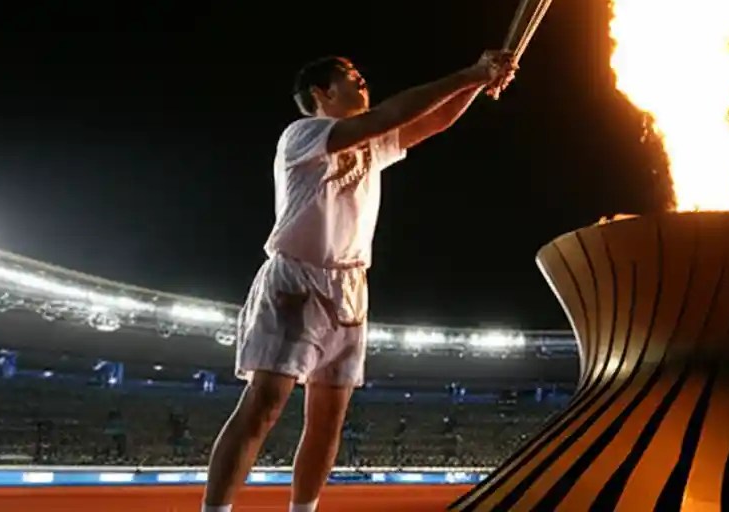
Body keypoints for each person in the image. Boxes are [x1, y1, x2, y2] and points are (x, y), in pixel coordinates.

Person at [201, 51, 515, 512]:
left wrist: (477, 84)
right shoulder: (303, 134)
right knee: (265, 404)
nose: (363, 82)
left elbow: (432, 122)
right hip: (298, 280)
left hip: (350, 288)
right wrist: (470, 73)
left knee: (329, 418)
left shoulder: (371, 145)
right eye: (351, 78)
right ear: (321, 94)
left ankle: (303, 510)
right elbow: (394, 113)